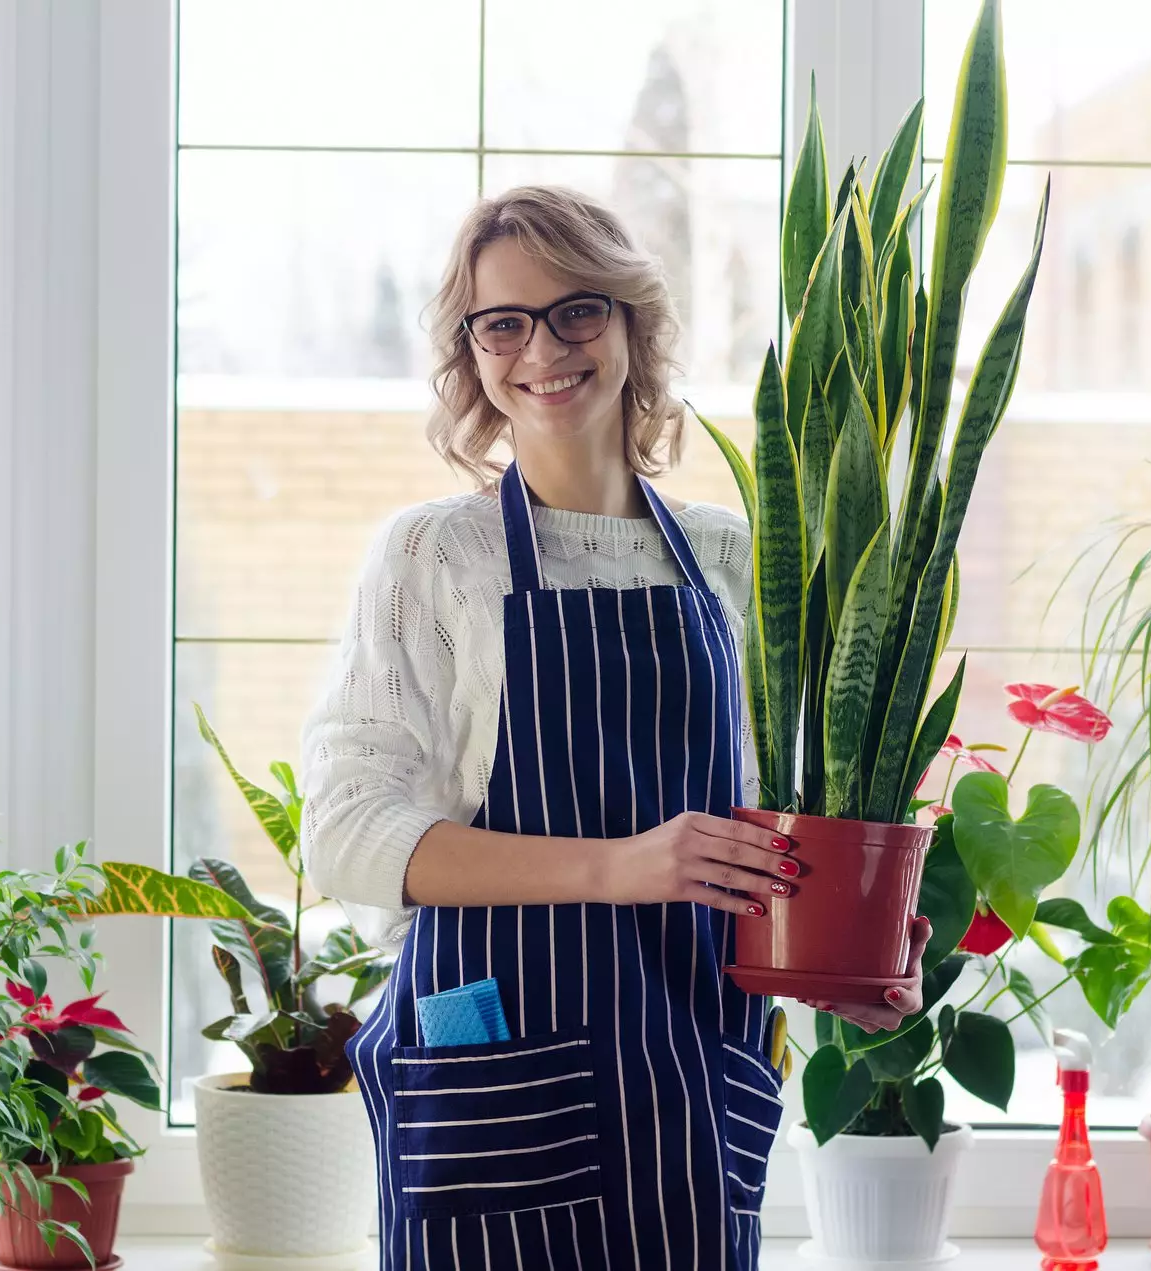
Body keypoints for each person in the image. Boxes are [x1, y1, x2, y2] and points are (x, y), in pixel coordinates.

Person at [301, 185, 928, 1271]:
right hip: (498, 1065)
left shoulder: (736, 556)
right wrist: (625, 865)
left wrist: (848, 956)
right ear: (473, 352)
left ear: (633, 325)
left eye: (576, 309)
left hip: (689, 1073)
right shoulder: (433, 557)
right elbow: (347, 833)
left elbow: (773, 826)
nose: (542, 348)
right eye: (503, 321)